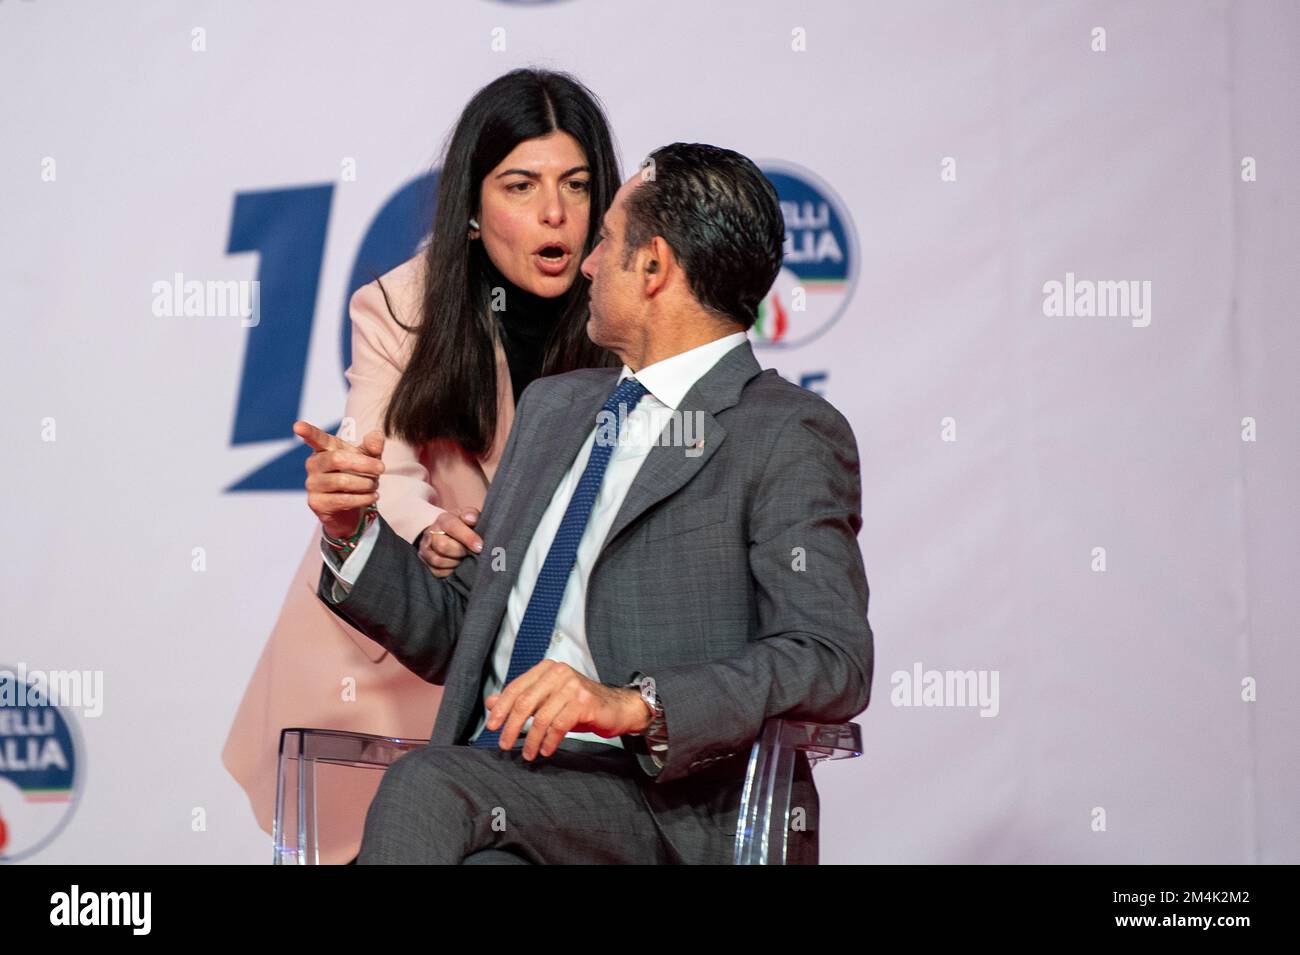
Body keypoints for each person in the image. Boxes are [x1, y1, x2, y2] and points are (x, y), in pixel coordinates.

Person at [296, 142, 874, 865]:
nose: (588, 262)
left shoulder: (785, 432)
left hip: (660, 808)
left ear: (654, 266)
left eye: (604, 240)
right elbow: (462, 629)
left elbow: (830, 658)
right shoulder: (556, 408)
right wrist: (351, 532)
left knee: (426, 785)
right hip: (506, 794)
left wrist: (632, 704)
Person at [221, 68, 621, 864]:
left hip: (538, 659)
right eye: (521, 185)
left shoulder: (626, 310)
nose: (554, 213)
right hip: (395, 641)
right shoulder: (401, 303)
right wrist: (432, 528)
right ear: (472, 210)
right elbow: (385, 466)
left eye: (577, 186)